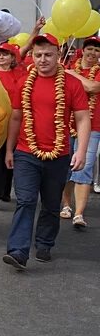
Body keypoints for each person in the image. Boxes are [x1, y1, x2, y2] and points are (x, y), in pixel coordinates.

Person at [3, 33, 90, 270]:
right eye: (38, 55)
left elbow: (82, 118)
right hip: (25, 152)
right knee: (26, 200)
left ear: (58, 56)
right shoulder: (24, 82)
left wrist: (81, 151)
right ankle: (18, 251)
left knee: (51, 204)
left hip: (59, 155)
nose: (43, 60)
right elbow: (16, 117)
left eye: (48, 55)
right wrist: (9, 150)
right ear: (32, 56)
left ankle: (44, 242)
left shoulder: (72, 84)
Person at [59, 35, 100, 228]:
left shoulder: (96, 71)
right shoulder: (67, 68)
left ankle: (79, 214)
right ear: (83, 50)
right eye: (90, 48)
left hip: (93, 127)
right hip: (65, 125)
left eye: (97, 50)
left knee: (84, 168)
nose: (93, 53)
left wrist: (71, 75)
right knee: (66, 167)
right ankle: (66, 205)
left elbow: (92, 86)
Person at [0, 42, 25, 211]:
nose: (1, 57)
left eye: (5, 54)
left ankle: (6, 191)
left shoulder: (21, 74)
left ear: (12, 58)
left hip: (15, 123)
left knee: (10, 157)